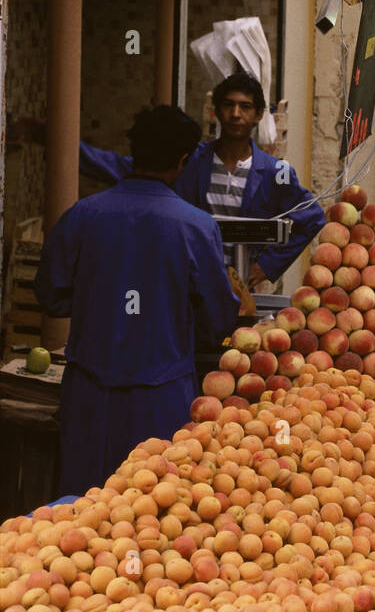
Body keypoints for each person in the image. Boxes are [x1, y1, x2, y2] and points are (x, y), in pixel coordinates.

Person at [35, 107, 241, 495]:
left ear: (134, 151)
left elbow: (51, 296)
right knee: (152, 512)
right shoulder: (196, 226)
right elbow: (218, 320)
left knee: (77, 517)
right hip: (162, 397)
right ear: (183, 160)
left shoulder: (82, 215)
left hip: (89, 394)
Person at [79, 72, 325, 288]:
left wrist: (266, 266)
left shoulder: (274, 171)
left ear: (259, 114)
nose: (235, 114)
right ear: (216, 111)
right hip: (186, 281)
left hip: (238, 288)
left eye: (245, 107)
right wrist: (63, 145)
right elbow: (123, 167)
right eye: (228, 105)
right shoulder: (190, 159)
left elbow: (312, 216)